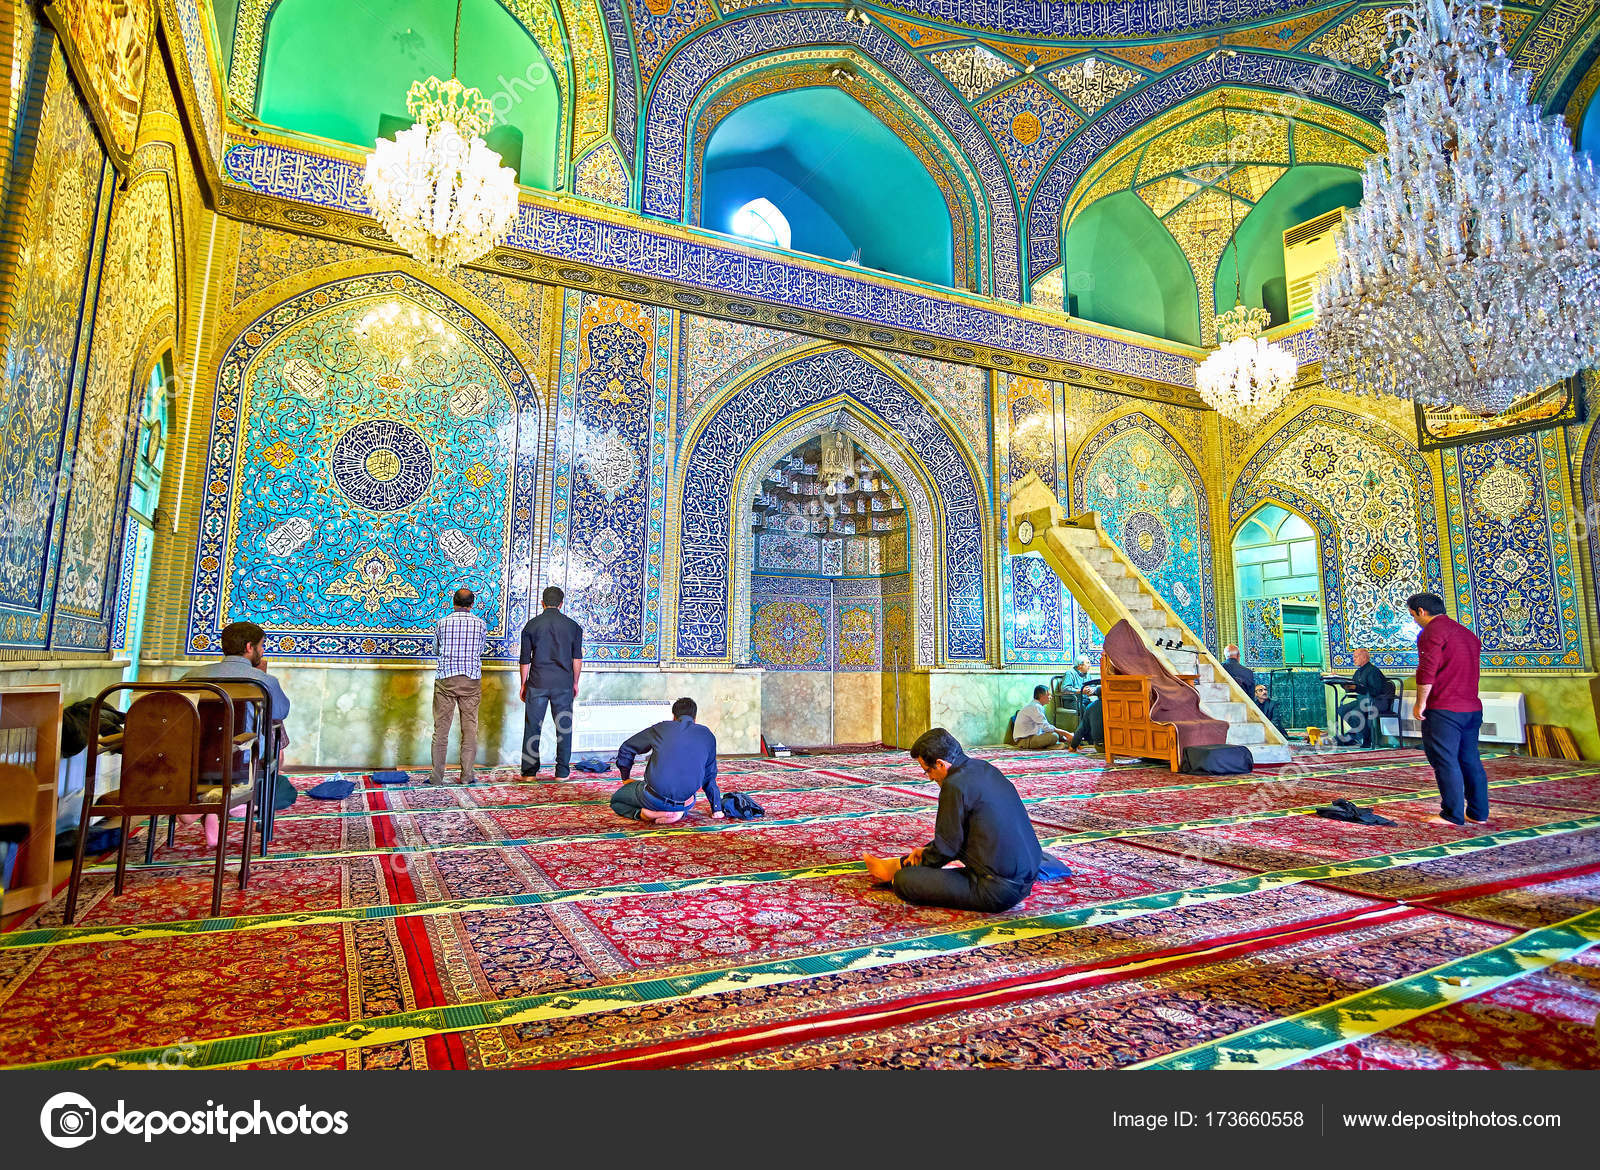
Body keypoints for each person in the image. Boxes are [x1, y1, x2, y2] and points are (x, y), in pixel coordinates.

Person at [863, 728, 1045, 912]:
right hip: (1027, 876)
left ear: (940, 764)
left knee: (904, 881)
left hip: (997, 890)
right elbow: (955, 835)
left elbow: (947, 848)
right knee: (938, 850)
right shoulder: (983, 767)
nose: (930, 778)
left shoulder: (953, 785)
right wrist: (924, 853)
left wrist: (907, 869)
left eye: (927, 771)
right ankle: (900, 864)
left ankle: (897, 870)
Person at [181, 621, 292, 847]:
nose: (263, 651)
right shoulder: (263, 680)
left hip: (194, 765)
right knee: (284, 789)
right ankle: (231, 802)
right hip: (240, 767)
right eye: (262, 646)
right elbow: (280, 712)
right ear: (250, 647)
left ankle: (208, 804)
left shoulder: (191, 676)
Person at [1409, 592, 1488, 827]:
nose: (1414, 620)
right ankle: (1478, 812)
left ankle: (1452, 814)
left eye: (1413, 616)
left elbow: (1427, 670)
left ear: (1421, 611)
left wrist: (1420, 702)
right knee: (1470, 759)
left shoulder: (1432, 632)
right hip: (1471, 708)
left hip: (1444, 708)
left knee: (1445, 760)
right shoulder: (1467, 634)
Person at [610, 697, 724, 824]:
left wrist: (625, 777)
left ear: (674, 717)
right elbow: (709, 776)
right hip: (685, 803)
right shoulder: (707, 735)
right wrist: (716, 808)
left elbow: (627, 748)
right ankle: (679, 814)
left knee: (616, 801)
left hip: (653, 799)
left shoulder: (661, 728)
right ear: (695, 718)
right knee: (691, 797)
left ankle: (647, 814)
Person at [519, 586, 583, 779]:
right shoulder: (573, 627)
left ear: (542, 603)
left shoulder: (531, 625)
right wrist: (575, 682)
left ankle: (529, 773)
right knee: (563, 727)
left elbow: (524, 659)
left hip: (537, 683)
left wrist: (523, 683)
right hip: (563, 684)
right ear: (562, 604)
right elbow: (577, 659)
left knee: (532, 727)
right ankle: (562, 772)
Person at [430, 587, 487, 786]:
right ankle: (466, 776)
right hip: (471, 681)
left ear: (453, 602)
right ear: (472, 605)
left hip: (446, 680)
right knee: (470, 729)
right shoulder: (480, 624)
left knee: (441, 730)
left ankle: (437, 777)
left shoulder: (442, 623)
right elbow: (480, 650)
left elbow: (436, 649)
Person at [1340, 648, 1395, 748]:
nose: (1354, 659)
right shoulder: (1358, 672)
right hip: (1364, 700)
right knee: (1342, 709)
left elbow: (1375, 691)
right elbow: (1354, 686)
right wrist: (1346, 686)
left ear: (1364, 657)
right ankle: (1358, 735)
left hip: (1378, 701)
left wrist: (1357, 688)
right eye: (1353, 657)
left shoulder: (1373, 671)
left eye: (1356, 657)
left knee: (1355, 713)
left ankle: (1366, 738)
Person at [1013, 684, 1070, 749]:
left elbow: (1045, 728)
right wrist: (1066, 733)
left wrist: (1064, 734)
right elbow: (1045, 727)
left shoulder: (1036, 706)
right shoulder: (1035, 707)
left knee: (1058, 735)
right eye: (1049, 695)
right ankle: (1053, 746)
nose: (1051, 697)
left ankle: (1056, 745)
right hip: (1025, 741)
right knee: (1054, 736)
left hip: (1032, 738)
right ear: (1041, 695)